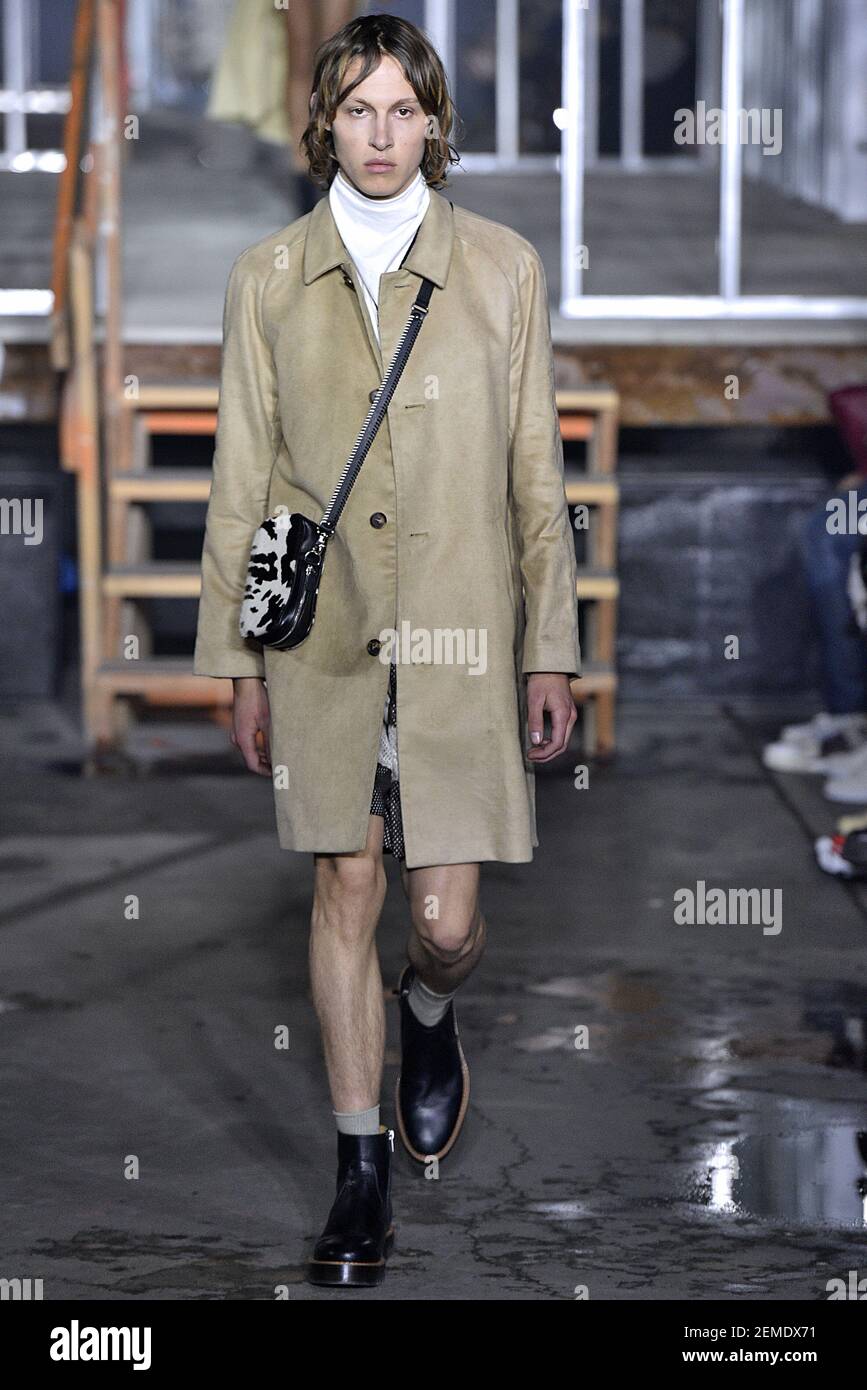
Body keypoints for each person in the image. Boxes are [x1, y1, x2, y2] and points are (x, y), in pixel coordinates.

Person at [192, 13, 581, 1288]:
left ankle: (430, 1009)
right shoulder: (267, 277)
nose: (379, 133)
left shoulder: (505, 269)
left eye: (401, 110)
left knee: (445, 921)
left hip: (466, 637)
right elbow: (241, 479)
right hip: (326, 638)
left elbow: (538, 477)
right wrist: (235, 664)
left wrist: (552, 651)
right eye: (356, 109)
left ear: (433, 123)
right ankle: (357, 1175)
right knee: (345, 886)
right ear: (324, 121)